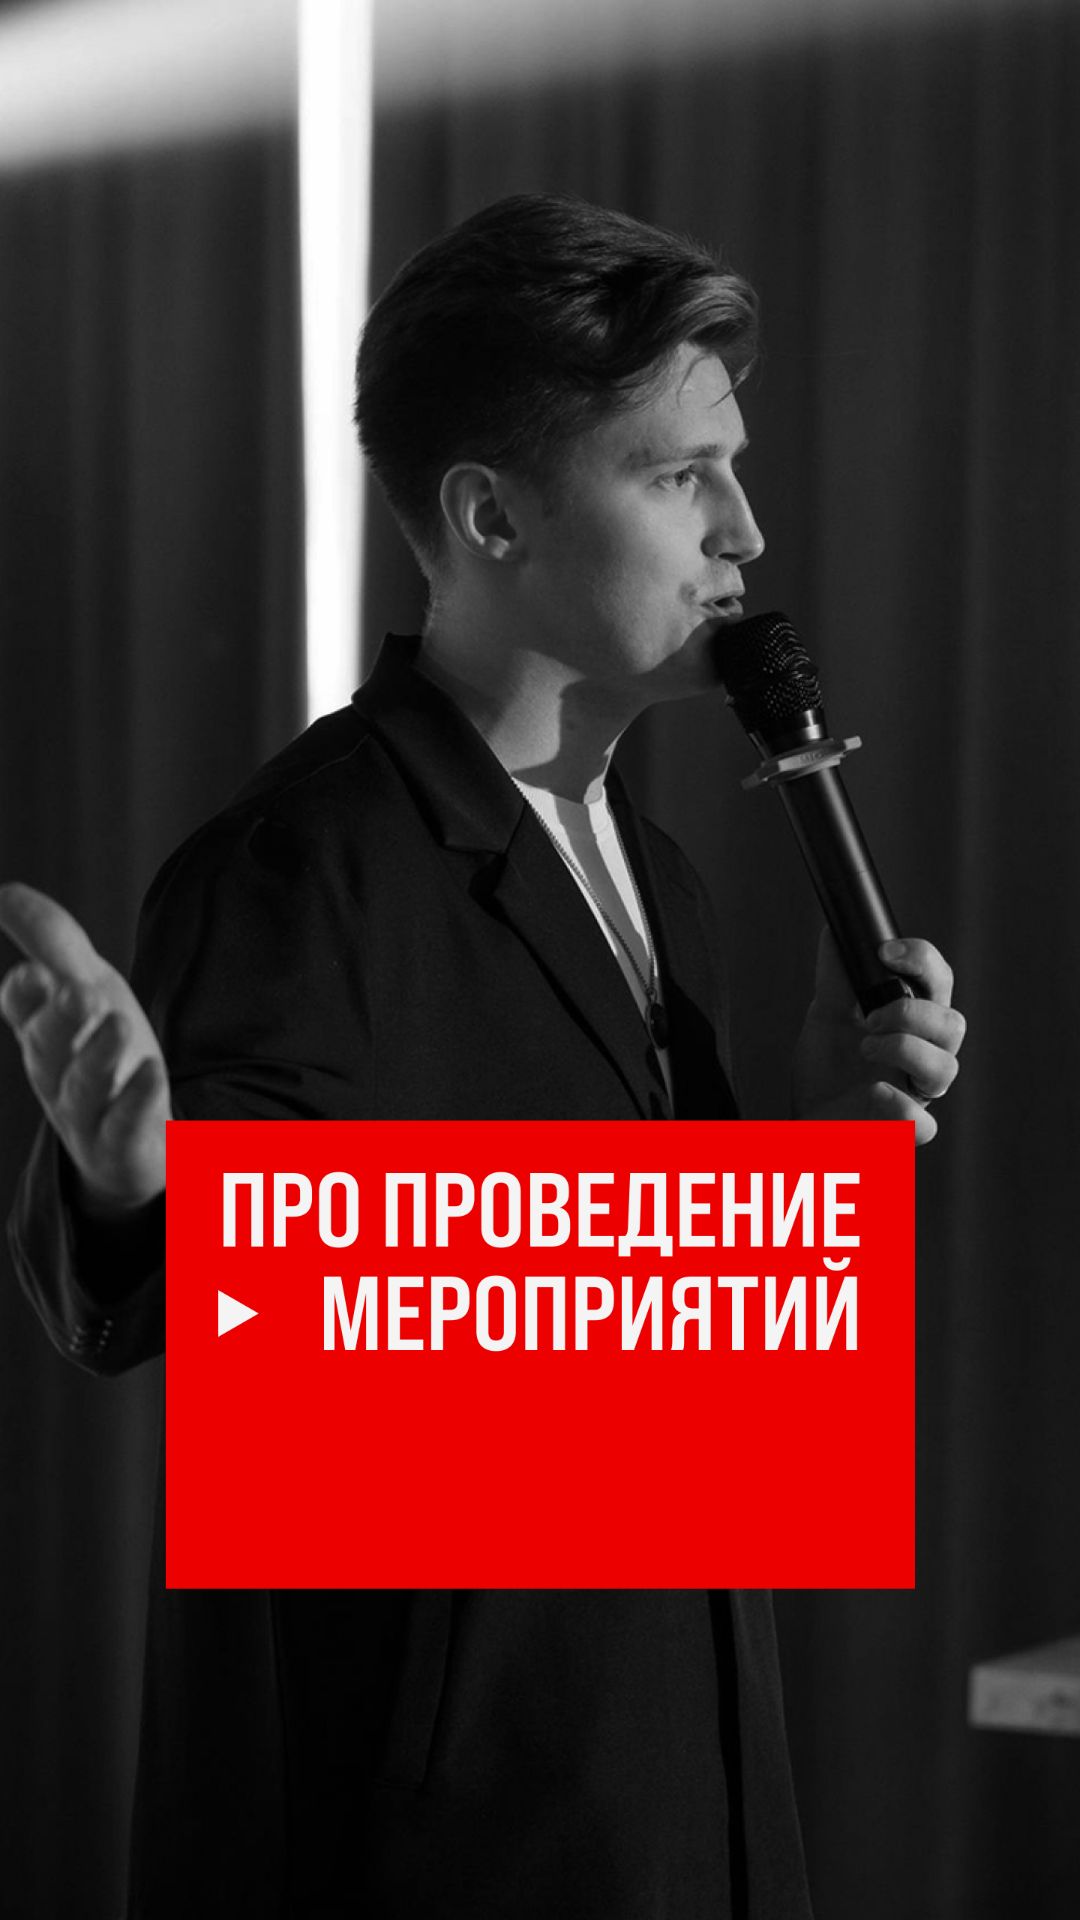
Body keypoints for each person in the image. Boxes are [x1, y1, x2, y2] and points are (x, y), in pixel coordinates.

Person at [0, 194, 964, 1918]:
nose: (744, 530)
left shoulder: (655, 876)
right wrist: (146, 1195)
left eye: (733, 471)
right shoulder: (307, 863)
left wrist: (808, 1165)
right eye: (680, 476)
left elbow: (656, 1394)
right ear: (491, 513)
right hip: (453, 1849)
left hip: (682, 1810)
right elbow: (275, 1358)